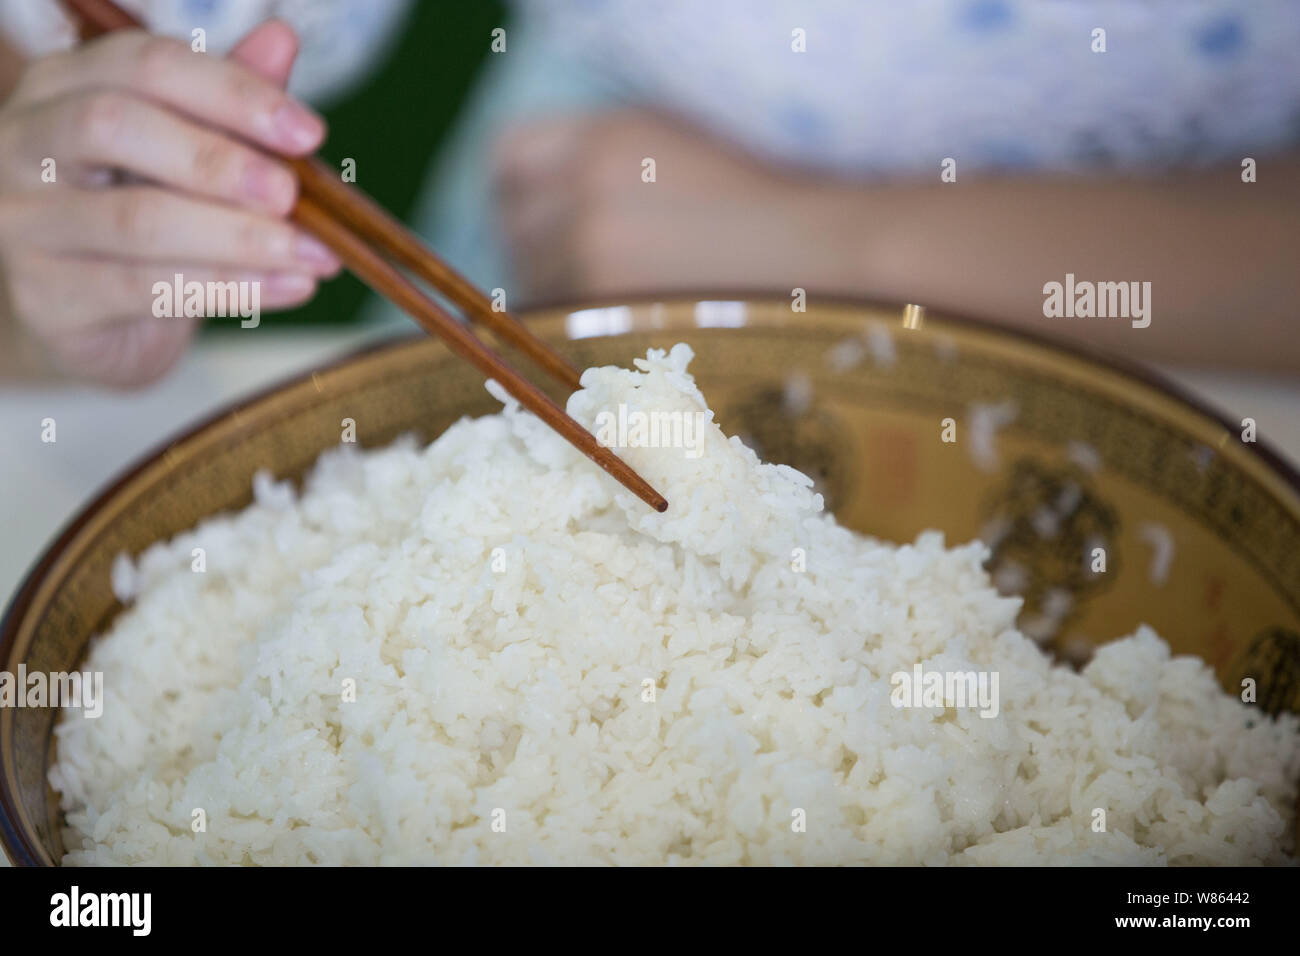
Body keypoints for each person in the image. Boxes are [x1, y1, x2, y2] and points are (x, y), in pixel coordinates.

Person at [2, 0, 1298, 389]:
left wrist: (836, 245)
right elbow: (87, 80)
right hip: (565, 280)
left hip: (1218, 376)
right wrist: (67, 243)